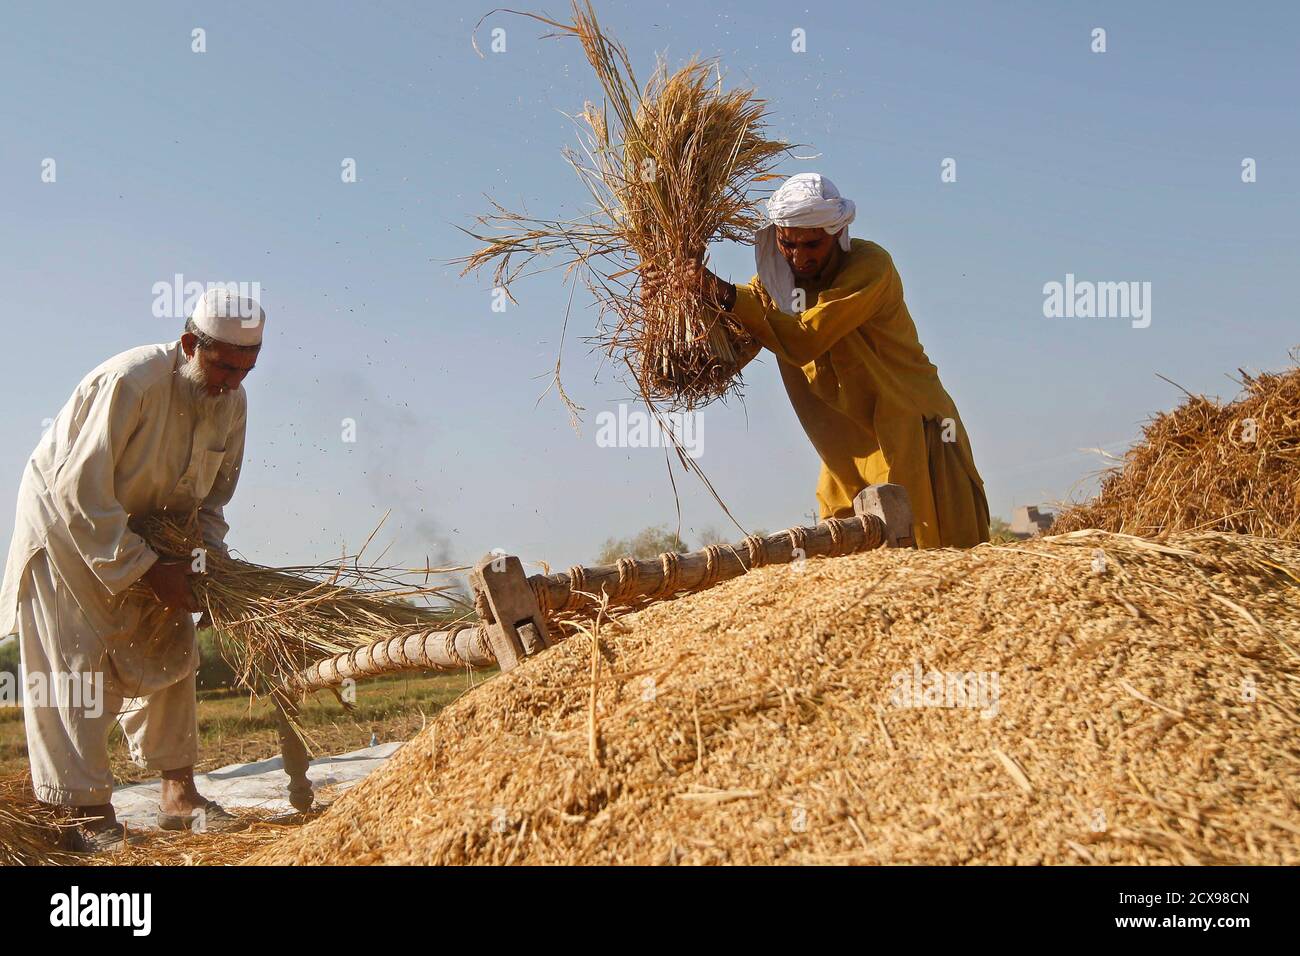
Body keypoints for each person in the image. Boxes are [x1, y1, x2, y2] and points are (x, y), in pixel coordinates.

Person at [0, 288, 263, 851]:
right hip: (68, 530)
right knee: (77, 662)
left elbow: (212, 503)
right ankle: (81, 810)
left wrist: (204, 567)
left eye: (246, 369)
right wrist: (145, 567)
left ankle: (178, 794)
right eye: (223, 365)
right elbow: (79, 490)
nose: (232, 381)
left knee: (172, 640)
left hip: (153, 533)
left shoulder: (231, 401)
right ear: (191, 344)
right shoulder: (133, 380)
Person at [643, 172, 989, 548]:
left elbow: (806, 337)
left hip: (911, 434)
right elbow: (728, 349)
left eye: (812, 245)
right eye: (788, 244)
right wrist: (677, 303)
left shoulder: (870, 267)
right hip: (845, 454)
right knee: (847, 563)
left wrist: (720, 291)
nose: (799, 257)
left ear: (838, 234)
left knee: (928, 555)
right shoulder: (772, 287)